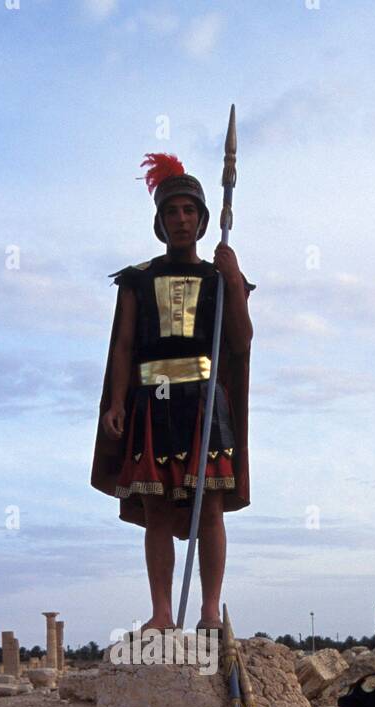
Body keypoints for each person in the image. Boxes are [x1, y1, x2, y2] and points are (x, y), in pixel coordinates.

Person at [91, 153, 254, 633]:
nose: (180, 219)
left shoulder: (220, 278)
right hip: (152, 399)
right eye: (171, 212)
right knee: (156, 507)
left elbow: (242, 342)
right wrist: (117, 402)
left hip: (203, 400)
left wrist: (234, 278)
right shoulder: (137, 279)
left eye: (188, 211)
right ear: (159, 222)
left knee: (210, 505)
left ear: (204, 220)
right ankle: (162, 613)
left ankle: (208, 611)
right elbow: (122, 345)